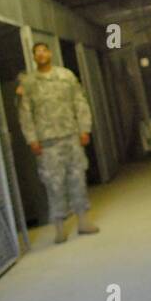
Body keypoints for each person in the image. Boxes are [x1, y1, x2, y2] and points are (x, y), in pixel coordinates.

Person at [16, 42, 100, 243]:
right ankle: (59, 228)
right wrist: (32, 139)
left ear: (50, 53)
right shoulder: (29, 83)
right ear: (34, 57)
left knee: (77, 178)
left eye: (45, 50)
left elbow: (79, 102)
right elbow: (25, 113)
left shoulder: (66, 76)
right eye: (38, 52)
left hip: (71, 136)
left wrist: (84, 129)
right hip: (46, 142)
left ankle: (83, 222)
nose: (42, 54)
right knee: (53, 184)